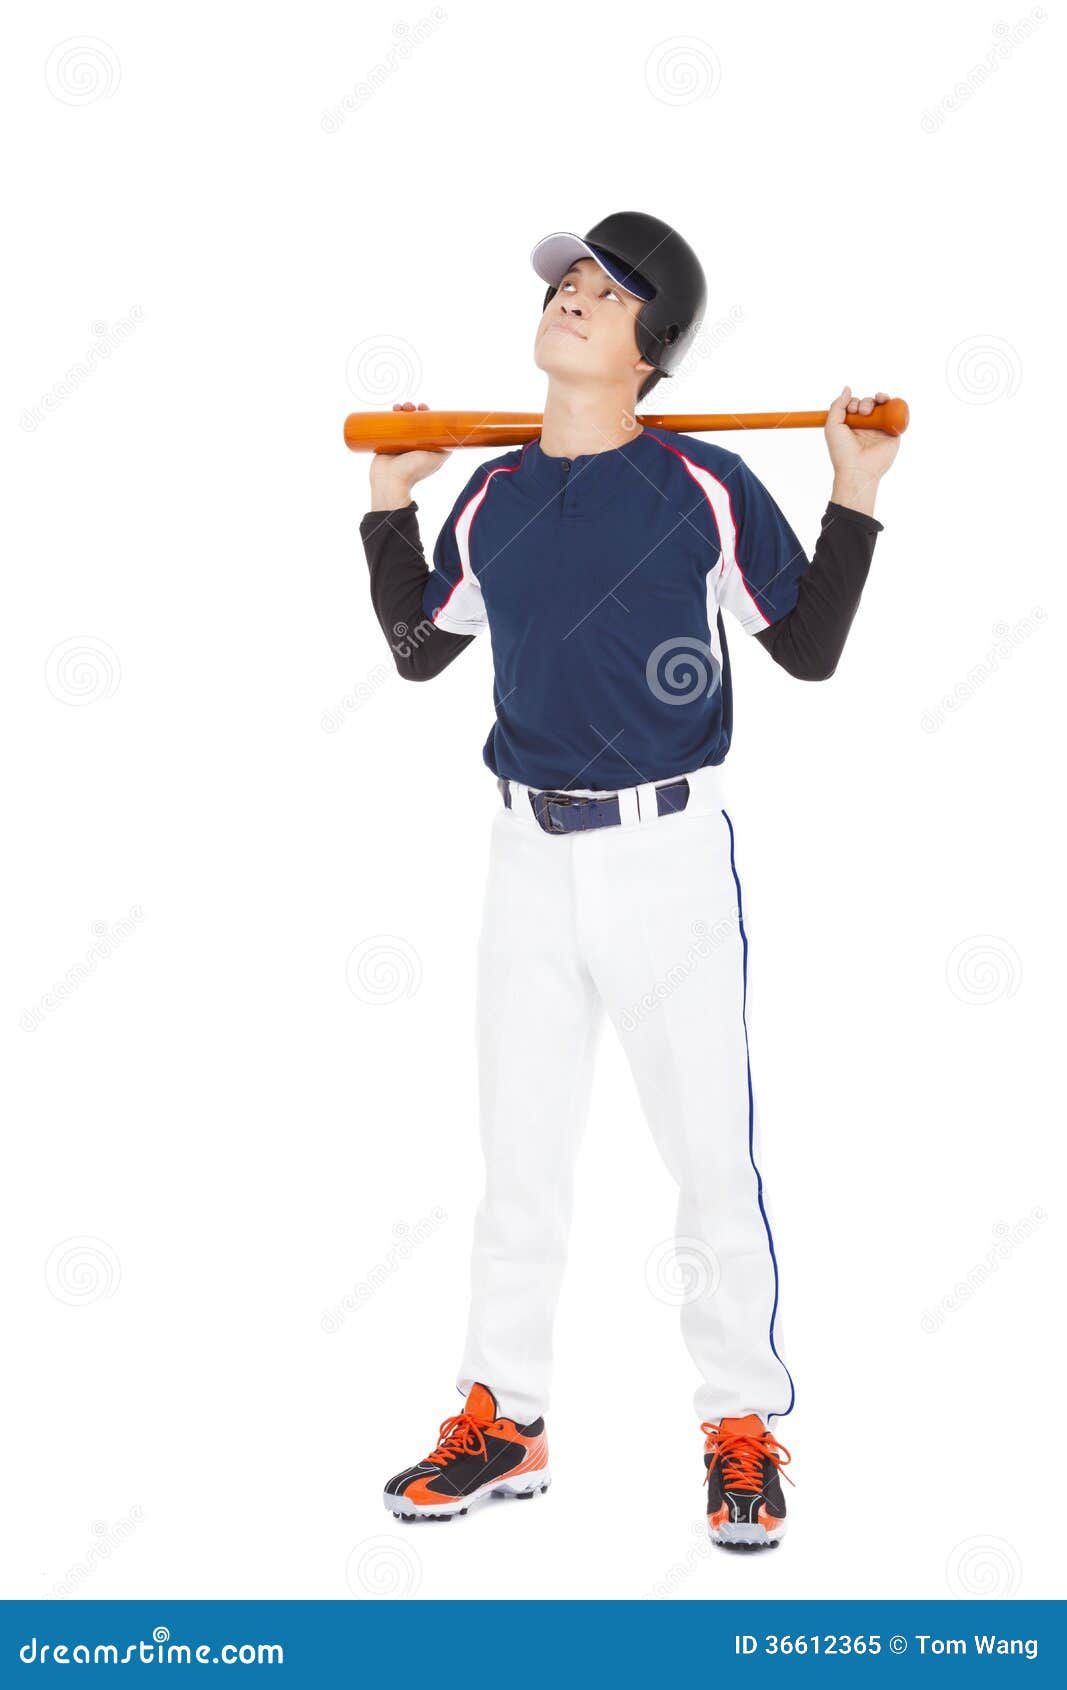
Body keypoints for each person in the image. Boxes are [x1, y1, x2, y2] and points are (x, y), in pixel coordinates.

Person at [358, 212, 900, 1547]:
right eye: (569, 284)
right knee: (520, 1160)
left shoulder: (704, 484)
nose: (578, 299)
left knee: (710, 1156)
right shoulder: (489, 495)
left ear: (652, 349)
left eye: (610, 291)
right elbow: (422, 648)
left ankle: (740, 1417)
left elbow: (811, 649)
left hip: (668, 855)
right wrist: (390, 503)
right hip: (524, 855)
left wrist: (858, 487)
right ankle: (507, 1416)